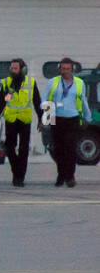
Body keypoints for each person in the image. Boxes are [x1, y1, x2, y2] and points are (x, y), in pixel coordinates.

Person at [0, 58, 42, 187]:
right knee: (10, 147)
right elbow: (2, 101)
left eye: (15, 68)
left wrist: (41, 119)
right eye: (11, 68)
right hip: (11, 120)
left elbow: (37, 102)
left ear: (22, 70)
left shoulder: (30, 83)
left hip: (24, 120)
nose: (13, 71)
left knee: (24, 149)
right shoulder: (7, 83)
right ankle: (16, 171)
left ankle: (20, 177)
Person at [44, 58, 92, 187]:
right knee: (58, 149)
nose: (65, 71)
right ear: (60, 69)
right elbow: (46, 100)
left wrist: (88, 118)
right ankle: (61, 174)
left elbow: (83, 101)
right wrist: (47, 119)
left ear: (72, 70)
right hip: (57, 118)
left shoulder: (79, 83)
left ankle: (70, 176)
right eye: (63, 69)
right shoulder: (52, 82)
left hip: (72, 118)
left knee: (70, 148)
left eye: (68, 69)